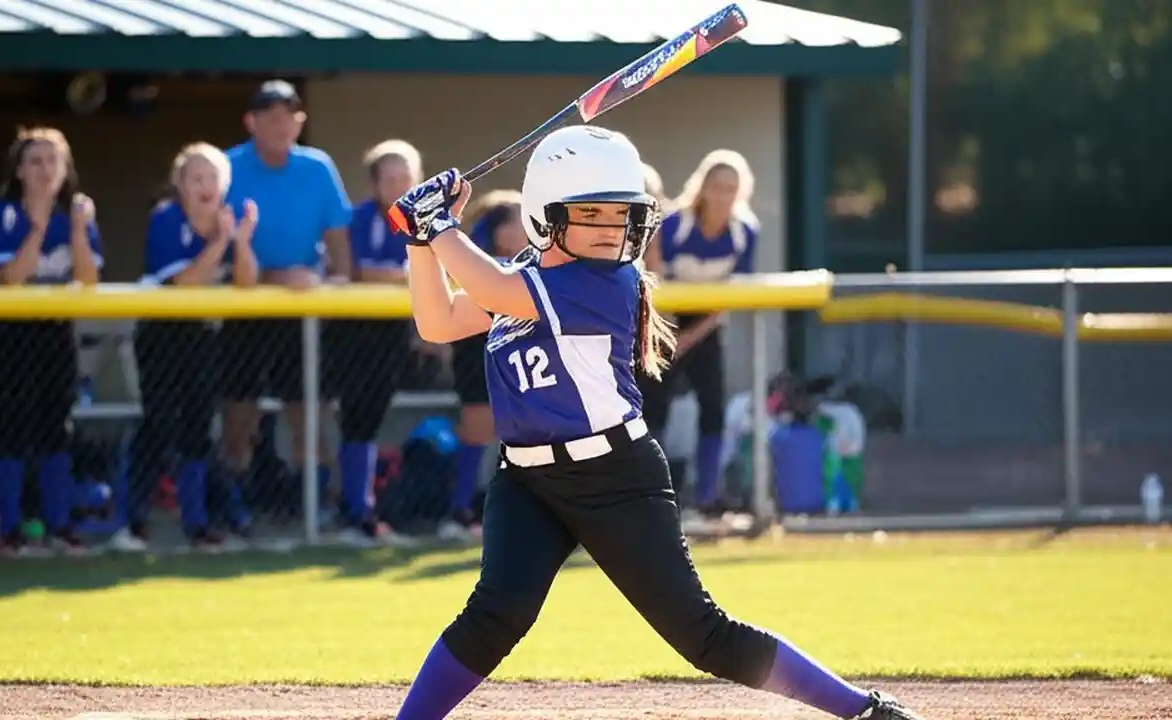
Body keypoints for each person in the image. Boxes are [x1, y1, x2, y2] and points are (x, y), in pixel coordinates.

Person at [386, 125, 925, 720]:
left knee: (705, 636)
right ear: (546, 214)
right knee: (497, 612)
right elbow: (437, 322)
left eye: (621, 214)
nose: (613, 228)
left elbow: (488, 283)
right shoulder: (526, 271)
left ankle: (864, 710)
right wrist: (420, 240)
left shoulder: (603, 280)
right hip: (526, 481)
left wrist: (438, 225)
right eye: (592, 214)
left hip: (614, 477)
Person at [114, 143, 259, 552]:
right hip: (160, 334)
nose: (205, 185)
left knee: (198, 428)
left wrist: (242, 241)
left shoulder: (229, 221)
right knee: (157, 424)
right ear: (180, 185)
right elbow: (185, 283)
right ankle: (131, 522)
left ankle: (197, 524)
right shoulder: (166, 219)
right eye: (195, 178)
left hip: (203, 337)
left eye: (213, 177)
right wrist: (219, 243)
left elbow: (246, 283)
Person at [221, 80, 352, 525]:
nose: (281, 125)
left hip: (303, 314)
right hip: (244, 307)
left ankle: (313, 507)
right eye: (270, 116)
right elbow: (218, 244)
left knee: (310, 411)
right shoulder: (227, 166)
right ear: (250, 122)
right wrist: (278, 277)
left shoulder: (317, 167)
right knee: (240, 411)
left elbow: (338, 241)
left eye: (289, 116)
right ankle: (231, 505)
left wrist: (336, 281)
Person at [0, 126, 101, 555]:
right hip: (11, 332)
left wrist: (79, 231)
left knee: (56, 428)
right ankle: (9, 528)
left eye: (53, 160)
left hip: (55, 331)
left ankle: (60, 523)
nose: (45, 169)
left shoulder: (78, 215)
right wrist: (39, 226)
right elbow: (10, 277)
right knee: (12, 428)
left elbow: (88, 279)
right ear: (19, 170)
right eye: (35, 161)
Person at [641, 149, 758, 525]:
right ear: (702, 186)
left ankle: (706, 499)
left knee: (713, 407)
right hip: (663, 319)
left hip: (706, 325)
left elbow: (733, 294)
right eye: (717, 186)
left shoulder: (745, 232)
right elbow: (654, 278)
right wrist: (669, 333)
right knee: (653, 408)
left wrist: (691, 337)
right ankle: (650, 499)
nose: (723, 195)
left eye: (731, 188)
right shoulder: (675, 224)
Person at [325, 139, 422, 547]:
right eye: (391, 178)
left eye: (406, 178)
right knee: (355, 418)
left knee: (371, 417)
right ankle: (355, 511)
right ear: (375, 182)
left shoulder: (420, 222)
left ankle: (361, 508)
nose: (399, 186)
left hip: (393, 332)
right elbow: (360, 270)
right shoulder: (359, 217)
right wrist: (402, 276)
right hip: (352, 332)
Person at [437, 189, 527, 542]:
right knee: (477, 429)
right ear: (501, 232)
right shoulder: (481, 264)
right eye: (520, 223)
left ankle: (502, 512)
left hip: (517, 359)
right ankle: (459, 511)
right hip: (478, 355)